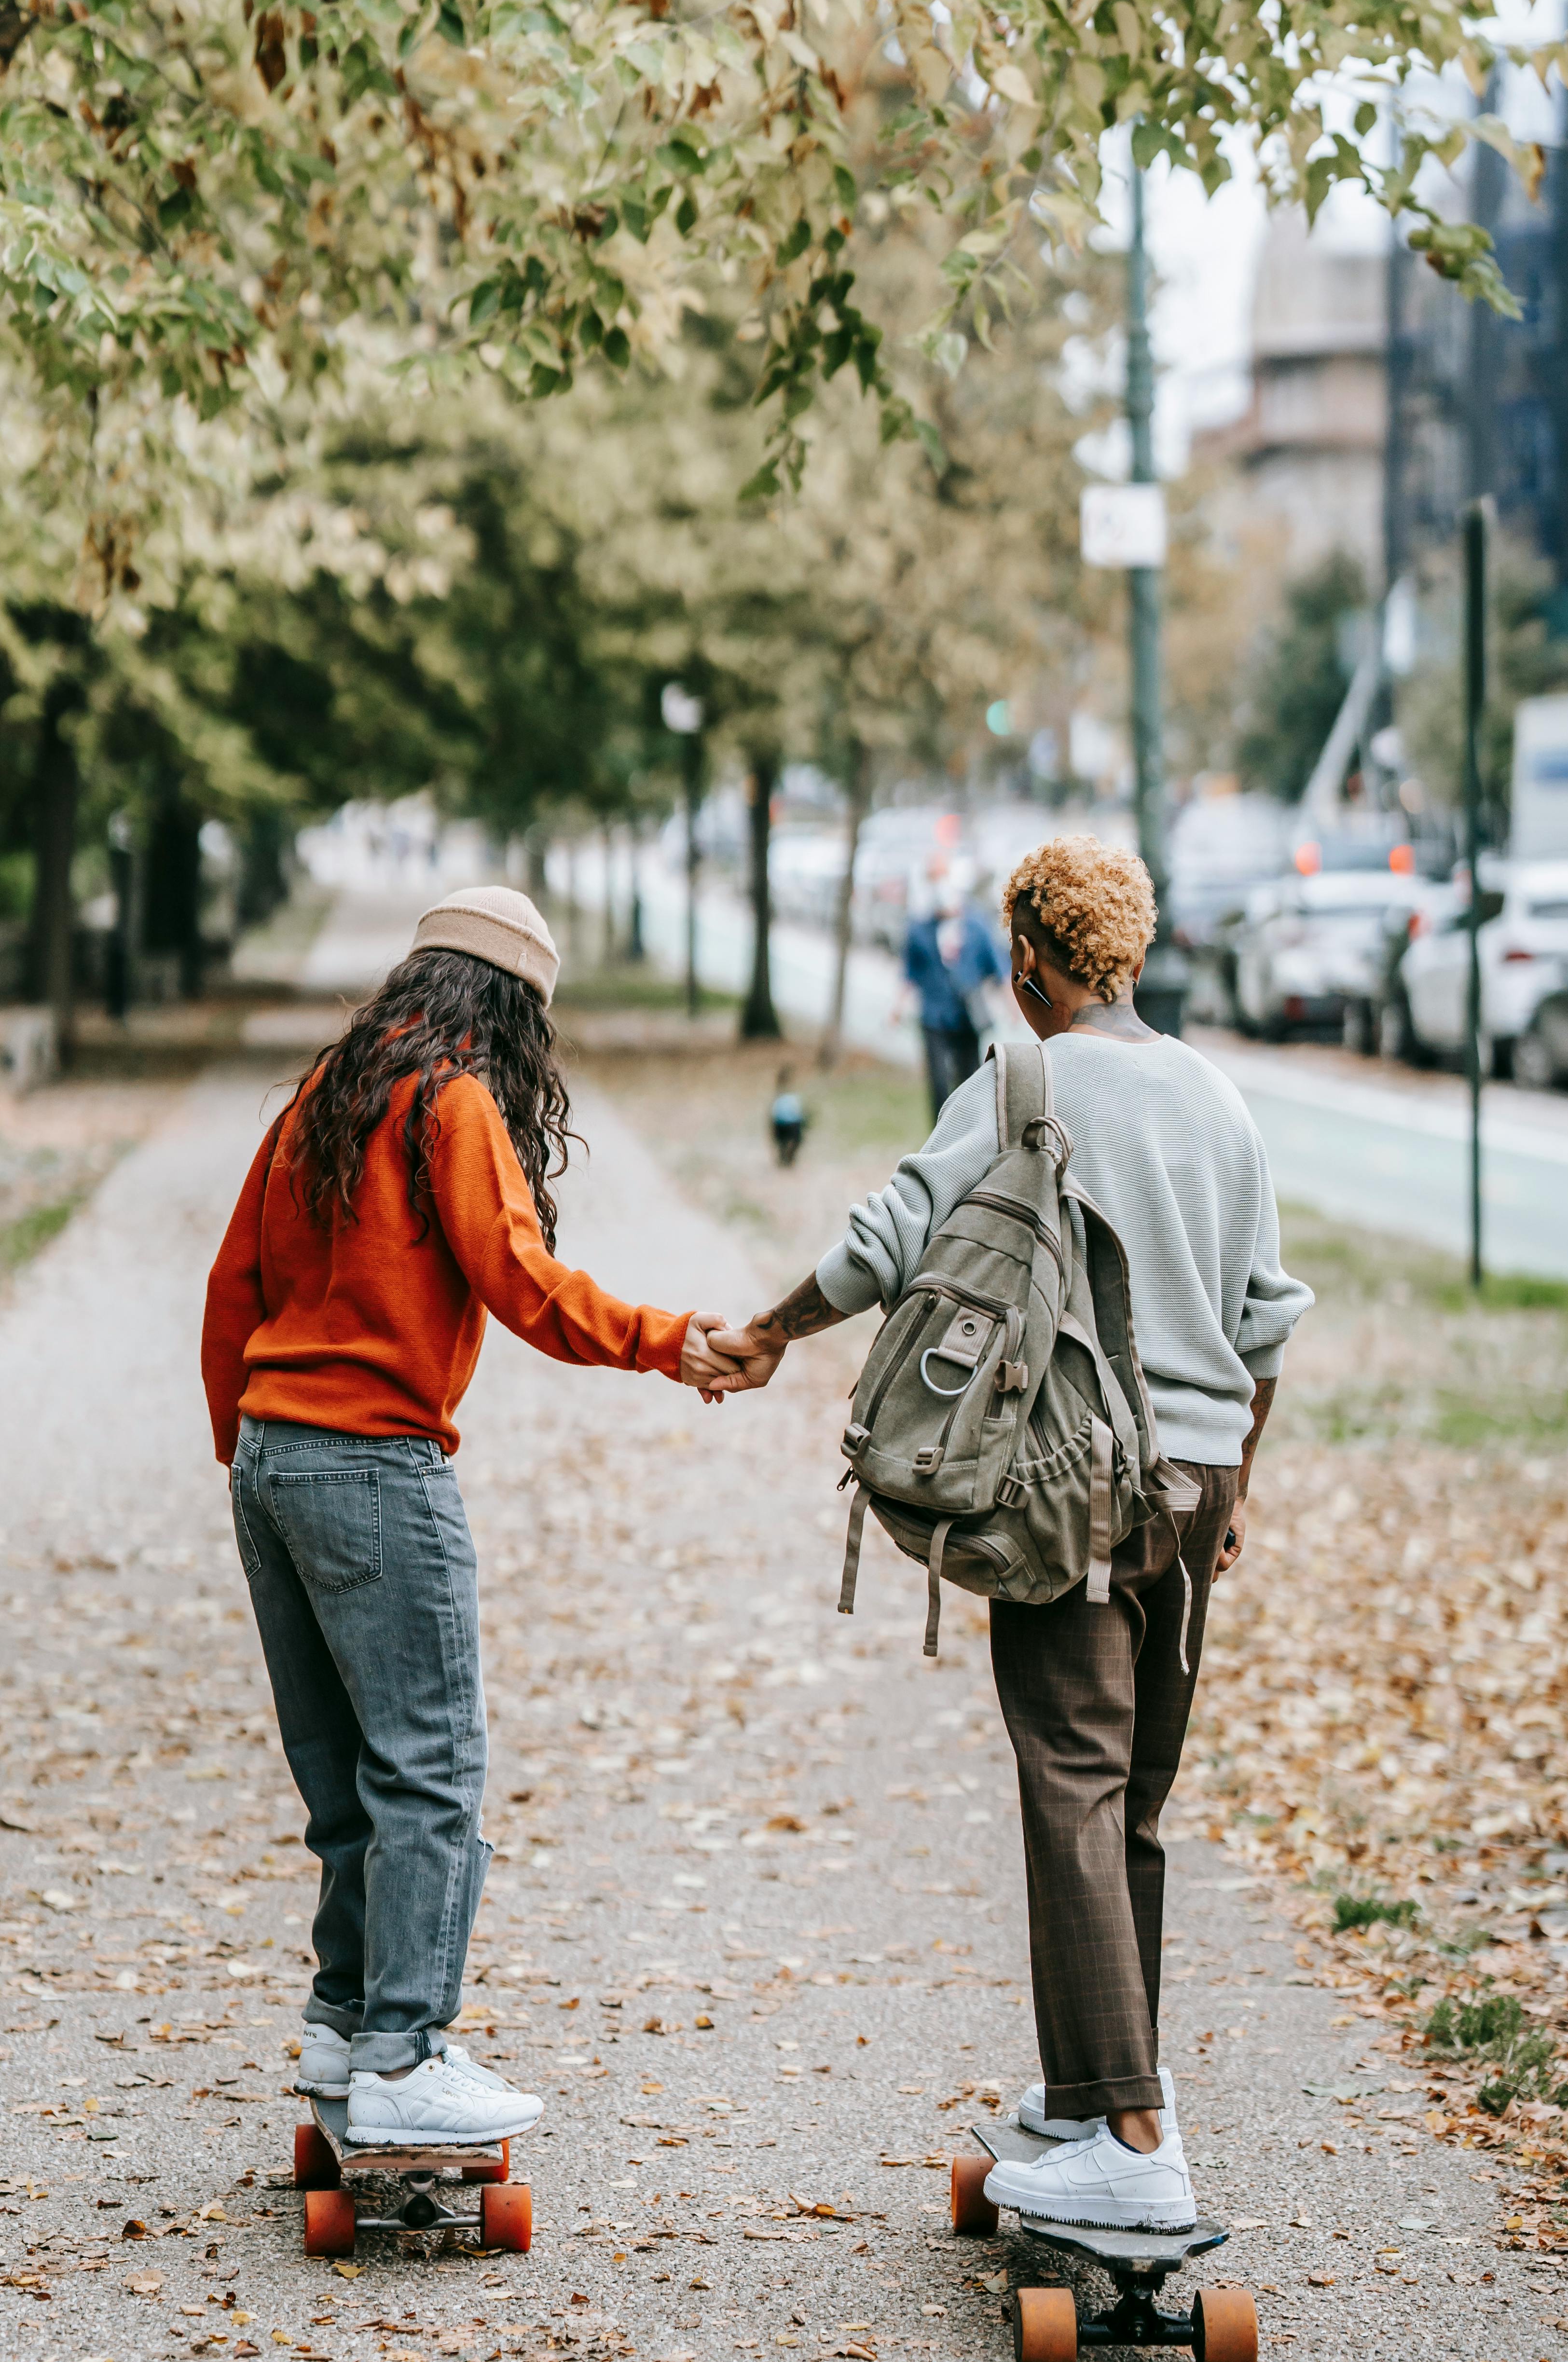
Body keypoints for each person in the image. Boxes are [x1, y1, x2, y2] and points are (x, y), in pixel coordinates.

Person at [712, 836, 1310, 2232]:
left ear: (1032, 962)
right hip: (1203, 1476)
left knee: (1072, 1781)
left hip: (1078, 1483)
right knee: (1135, 1800)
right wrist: (1244, 1480)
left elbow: (895, 1233)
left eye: (1011, 961)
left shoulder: (1024, 1079)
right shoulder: (1219, 1098)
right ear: (1134, 956)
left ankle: (1136, 2141)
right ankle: (1096, 2092)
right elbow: (1266, 1321)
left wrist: (772, 1332)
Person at [201, 886, 745, 2152]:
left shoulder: (322, 1097)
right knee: (429, 1771)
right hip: (377, 1465)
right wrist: (676, 1343)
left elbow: (234, 1285)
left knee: (343, 1780)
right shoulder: (451, 1102)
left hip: (273, 1464)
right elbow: (523, 1283)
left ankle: (343, 2035)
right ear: (512, 1011)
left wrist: (252, 1458)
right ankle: (406, 2055)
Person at [899, 858, 1004, 1121]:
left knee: (970, 1079)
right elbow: (910, 972)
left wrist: (1013, 1007)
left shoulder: (976, 925)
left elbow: (997, 970)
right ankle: (939, 1134)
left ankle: (968, 1133)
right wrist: (897, 1007)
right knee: (939, 1081)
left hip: (967, 1016)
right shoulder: (919, 928)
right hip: (934, 1016)